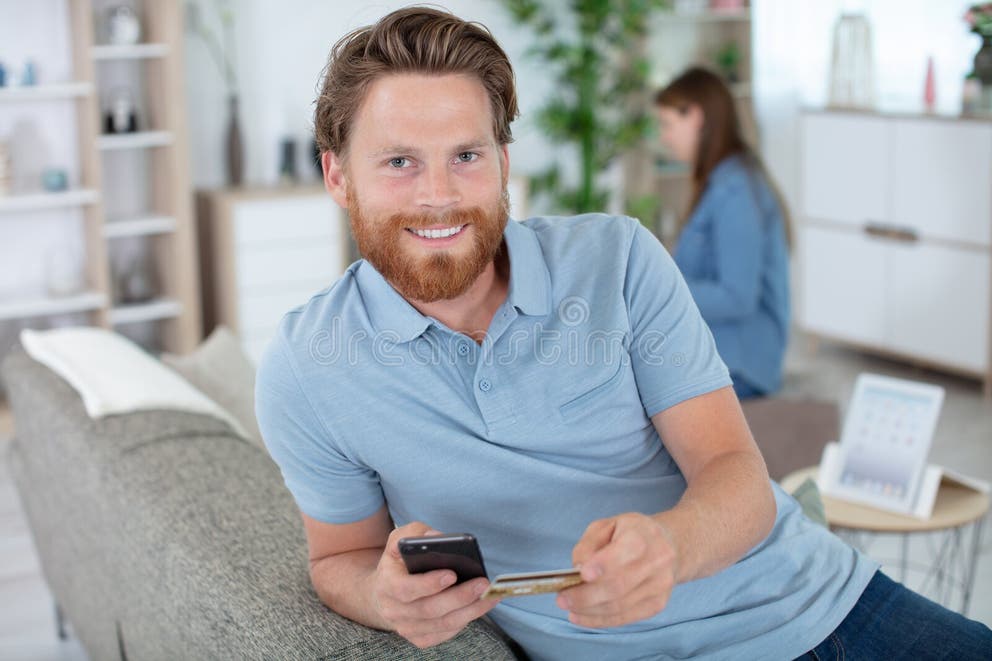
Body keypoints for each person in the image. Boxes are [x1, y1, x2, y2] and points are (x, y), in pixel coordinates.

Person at [255, 7, 992, 660]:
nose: (439, 194)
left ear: (504, 164)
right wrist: (382, 596)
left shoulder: (618, 257)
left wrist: (669, 545)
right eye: (398, 162)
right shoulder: (307, 365)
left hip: (821, 608)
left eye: (467, 156)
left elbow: (737, 473)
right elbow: (340, 557)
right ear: (337, 176)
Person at [654, 67, 790, 399]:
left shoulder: (736, 192)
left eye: (668, 124)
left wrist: (661, 291)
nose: (664, 137)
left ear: (696, 117)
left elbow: (737, 296)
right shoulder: (719, 184)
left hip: (743, 361)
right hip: (718, 344)